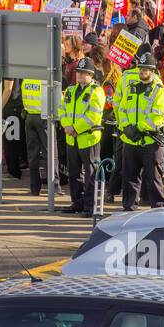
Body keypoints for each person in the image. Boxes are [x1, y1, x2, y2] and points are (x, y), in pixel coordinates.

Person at [118, 55, 164, 211]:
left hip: (150, 141)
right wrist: (126, 127)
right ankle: (129, 207)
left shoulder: (159, 91)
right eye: (140, 68)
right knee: (129, 177)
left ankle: (158, 208)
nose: (142, 71)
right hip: (131, 140)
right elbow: (122, 109)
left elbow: (157, 117)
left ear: (152, 71)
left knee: (153, 178)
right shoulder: (131, 88)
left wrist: (137, 127)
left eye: (145, 69)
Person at [59, 58, 104, 214]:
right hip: (72, 137)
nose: (80, 75)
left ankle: (90, 206)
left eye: (84, 73)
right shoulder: (71, 90)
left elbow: (93, 116)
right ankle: (77, 202)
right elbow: (61, 109)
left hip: (88, 138)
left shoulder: (97, 91)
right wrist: (66, 125)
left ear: (91, 75)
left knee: (91, 174)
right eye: (79, 72)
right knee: (73, 172)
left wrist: (75, 128)